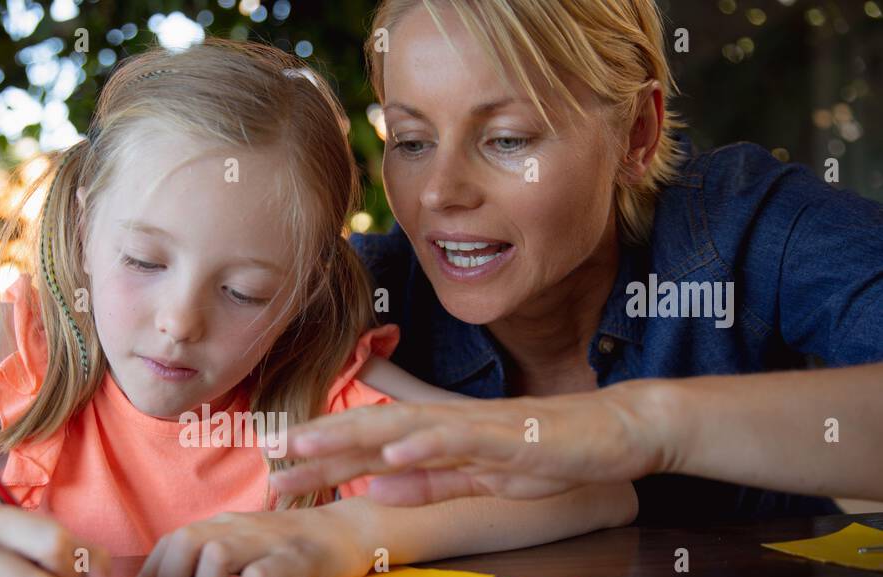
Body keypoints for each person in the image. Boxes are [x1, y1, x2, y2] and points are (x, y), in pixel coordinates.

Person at [0, 40, 635, 577]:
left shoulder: (322, 404)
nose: (180, 322)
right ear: (78, 235)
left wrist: (359, 532)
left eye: (242, 290)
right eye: (143, 262)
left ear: (303, 296)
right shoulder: (10, 354)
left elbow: (597, 489)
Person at [272, 0, 883, 519]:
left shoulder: (745, 221)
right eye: (411, 142)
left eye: (507, 139)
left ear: (637, 135)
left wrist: (641, 425)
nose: (438, 193)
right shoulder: (359, 297)